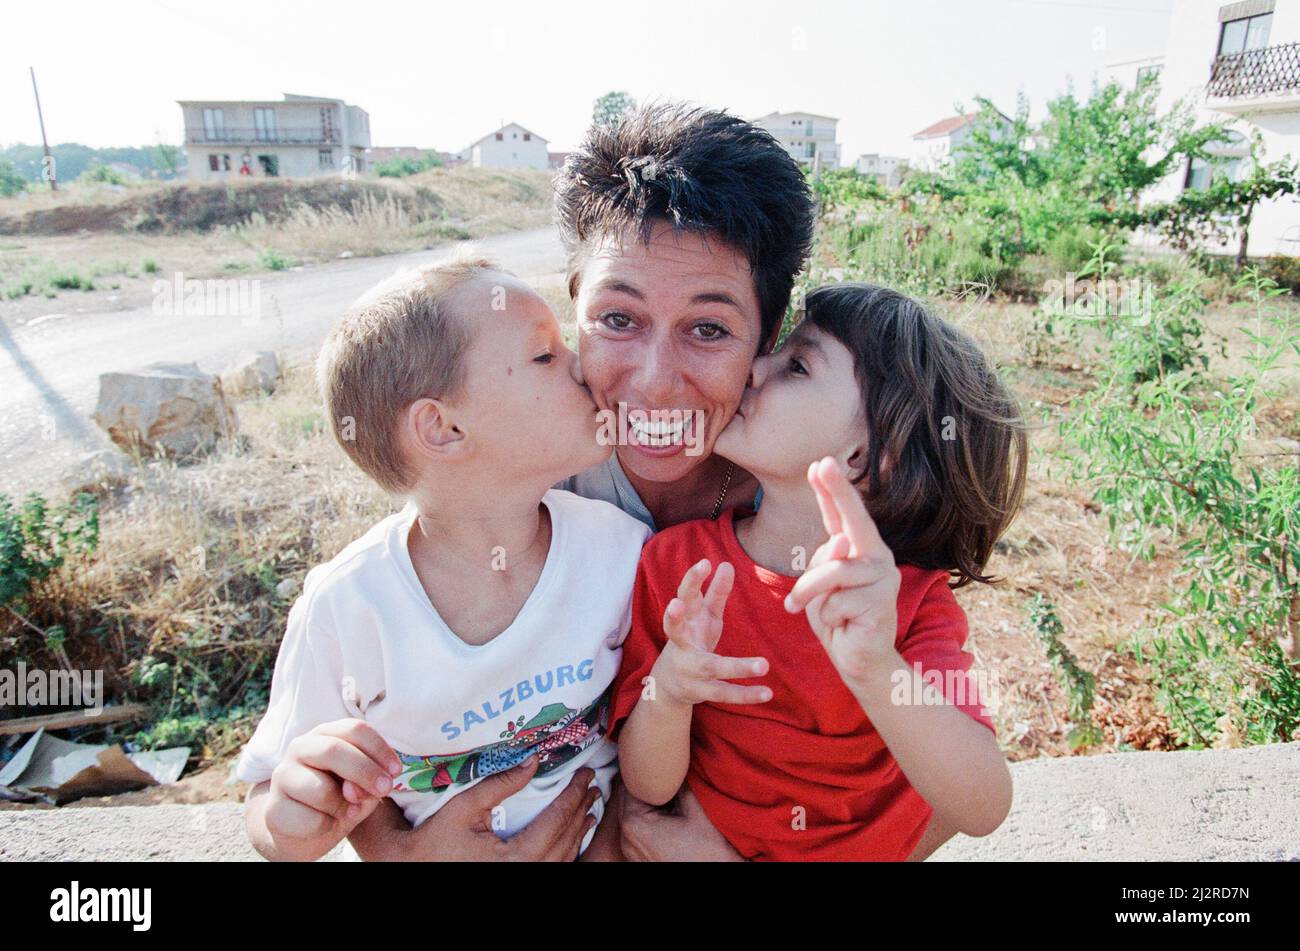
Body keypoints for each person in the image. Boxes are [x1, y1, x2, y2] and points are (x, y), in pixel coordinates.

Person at [347, 104, 974, 861]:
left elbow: (935, 783)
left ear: (766, 341)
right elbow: (368, 681)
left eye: (708, 329)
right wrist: (392, 847)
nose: (654, 383)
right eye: (618, 319)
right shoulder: (528, 463)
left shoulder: (817, 512)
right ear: (572, 308)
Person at [235, 256, 650, 861]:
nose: (584, 367)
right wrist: (293, 820)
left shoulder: (618, 550)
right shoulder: (350, 609)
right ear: (444, 429)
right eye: (544, 356)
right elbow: (272, 801)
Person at [613, 283, 1027, 859]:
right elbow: (647, 787)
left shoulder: (907, 606)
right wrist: (672, 689)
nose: (756, 367)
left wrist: (876, 668)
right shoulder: (679, 568)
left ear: (862, 458)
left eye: (800, 366)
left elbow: (982, 807)